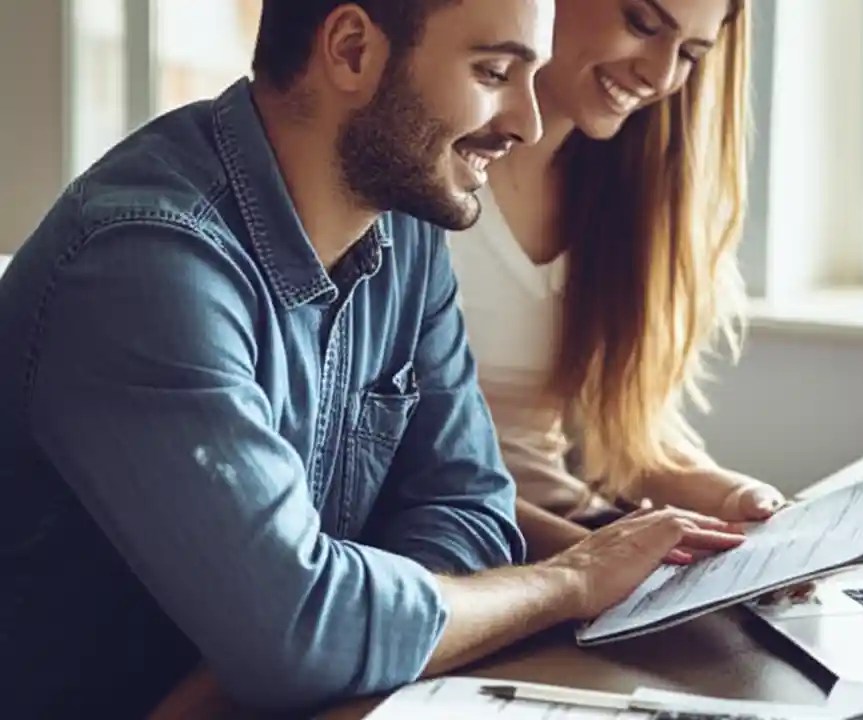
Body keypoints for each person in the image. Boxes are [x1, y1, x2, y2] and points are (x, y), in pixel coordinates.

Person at [0, 1, 746, 716]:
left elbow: (474, 510)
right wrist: (569, 582)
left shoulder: (406, 224)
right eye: (494, 73)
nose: (526, 121)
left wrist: (330, 635)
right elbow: (296, 636)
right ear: (352, 50)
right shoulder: (144, 266)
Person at [448, 0, 786, 559]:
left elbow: (627, 440)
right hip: (482, 552)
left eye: (690, 54)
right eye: (641, 24)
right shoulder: (430, 183)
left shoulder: (622, 202)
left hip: (571, 536)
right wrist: (596, 559)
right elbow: (419, 482)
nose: (660, 75)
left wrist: (741, 499)